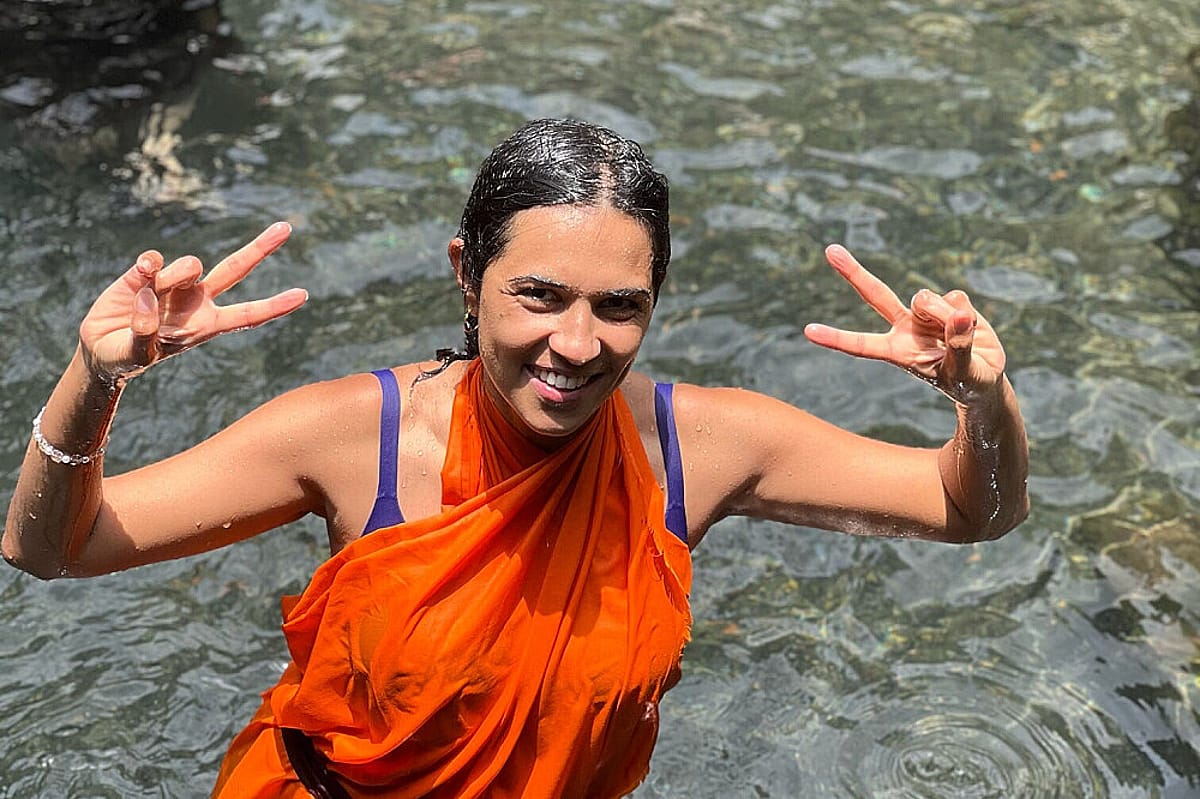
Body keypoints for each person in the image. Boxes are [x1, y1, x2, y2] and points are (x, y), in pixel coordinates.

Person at [2, 118, 1029, 798]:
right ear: (467, 273)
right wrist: (98, 378)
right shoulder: (357, 440)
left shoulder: (694, 450)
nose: (577, 345)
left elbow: (971, 509)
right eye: (539, 294)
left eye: (620, 307)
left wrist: (982, 400)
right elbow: (57, 546)